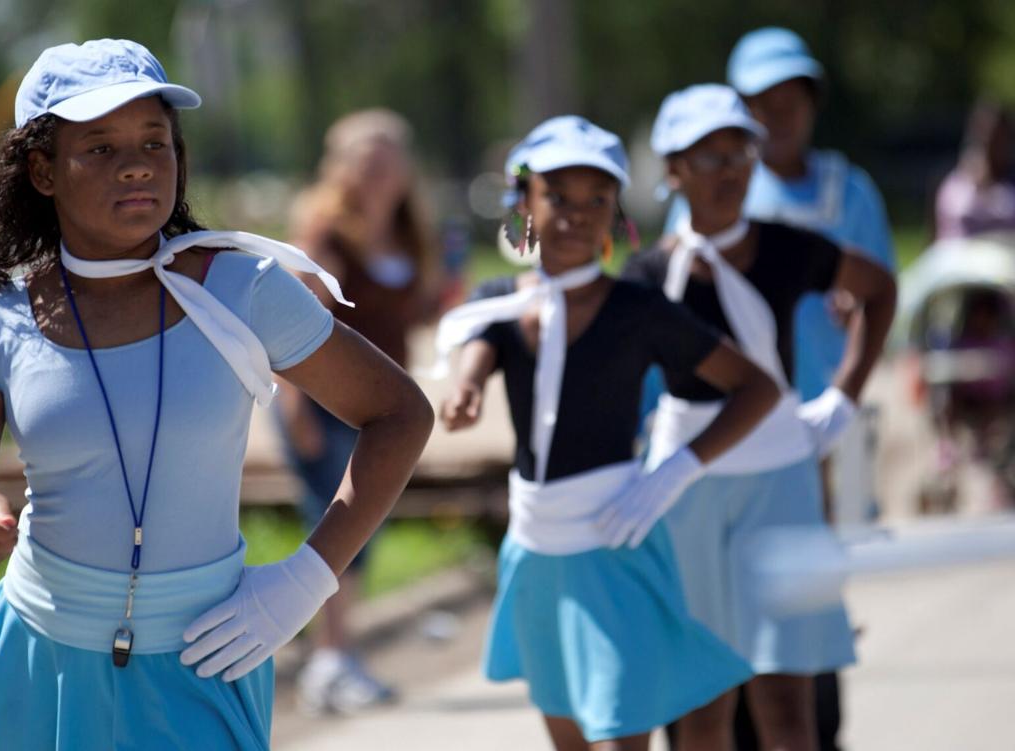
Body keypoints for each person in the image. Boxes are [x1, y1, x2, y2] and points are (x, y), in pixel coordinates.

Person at [0, 39, 432, 750]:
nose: (136, 162)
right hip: (39, 655)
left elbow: (400, 412)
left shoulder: (243, 289)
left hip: (205, 652)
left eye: (155, 140)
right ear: (42, 170)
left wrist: (308, 579)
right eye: (98, 147)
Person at [435, 115, 781, 751]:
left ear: (616, 210)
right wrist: (465, 387)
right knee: (566, 731)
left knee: (625, 729)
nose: (577, 213)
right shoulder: (502, 304)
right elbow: (477, 347)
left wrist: (676, 471)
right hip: (537, 551)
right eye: (558, 196)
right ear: (523, 204)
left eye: (597, 199)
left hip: (615, 538)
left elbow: (758, 389)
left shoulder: (637, 310)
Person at [624, 84, 896, 751]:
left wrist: (845, 393)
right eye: (708, 155)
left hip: (781, 478)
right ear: (673, 171)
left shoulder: (788, 248)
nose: (730, 169)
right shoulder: (650, 275)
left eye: (739, 150)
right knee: (705, 700)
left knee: (787, 700)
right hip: (687, 488)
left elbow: (879, 289)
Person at [274, 108, 445, 714]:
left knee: (363, 532)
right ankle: (328, 659)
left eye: (387, 159)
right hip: (323, 405)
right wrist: (293, 411)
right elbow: (290, 326)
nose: (376, 172)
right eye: (364, 160)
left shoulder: (408, 236)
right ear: (340, 168)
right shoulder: (323, 235)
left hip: (379, 410)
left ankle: (339, 657)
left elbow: (405, 315)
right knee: (337, 525)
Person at [935, 100, 1015, 240]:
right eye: (986, 134)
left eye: (998, 136)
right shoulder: (954, 183)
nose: (991, 142)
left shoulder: (1010, 183)